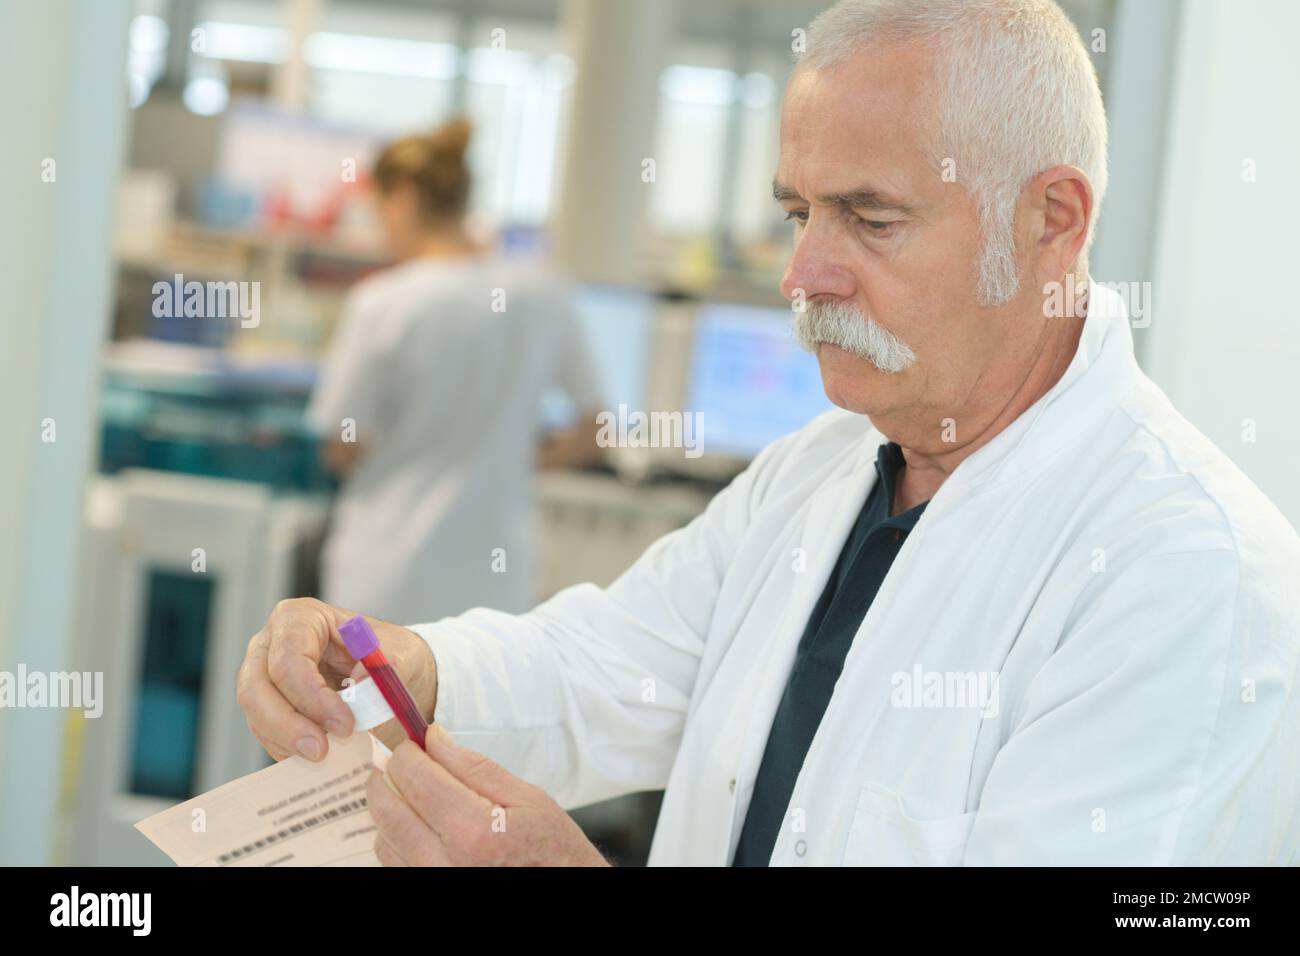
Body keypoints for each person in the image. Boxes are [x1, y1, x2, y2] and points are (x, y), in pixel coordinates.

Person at [240, 0, 1300, 866]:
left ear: (1051, 221)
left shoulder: (1183, 575)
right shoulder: (821, 472)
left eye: (870, 218)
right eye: (800, 213)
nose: (802, 277)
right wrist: (405, 664)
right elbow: (609, 661)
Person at [306, 117, 605, 626]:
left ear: (401, 199)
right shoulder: (543, 294)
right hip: (495, 574)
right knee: (476, 700)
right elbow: (595, 428)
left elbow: (342, 447)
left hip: (386, 572)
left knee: (372, 703)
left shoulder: (384, 302)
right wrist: (506, 463)